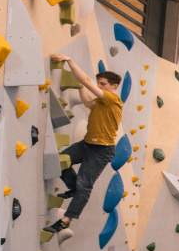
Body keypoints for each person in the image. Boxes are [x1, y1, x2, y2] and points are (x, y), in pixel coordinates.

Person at [43, 53, 122, 236]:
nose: (99, 87)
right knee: (60, 161)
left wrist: (70, 60)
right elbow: (87, 102)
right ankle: (72, 188)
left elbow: (86, 80)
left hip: (102, 150)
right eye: (99, 83)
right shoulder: (101, 102)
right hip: (87, 144)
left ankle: (66, 220)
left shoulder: (112, 99)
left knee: (85, 184)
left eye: (103, 84)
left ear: (114, 86)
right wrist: (79, 86)